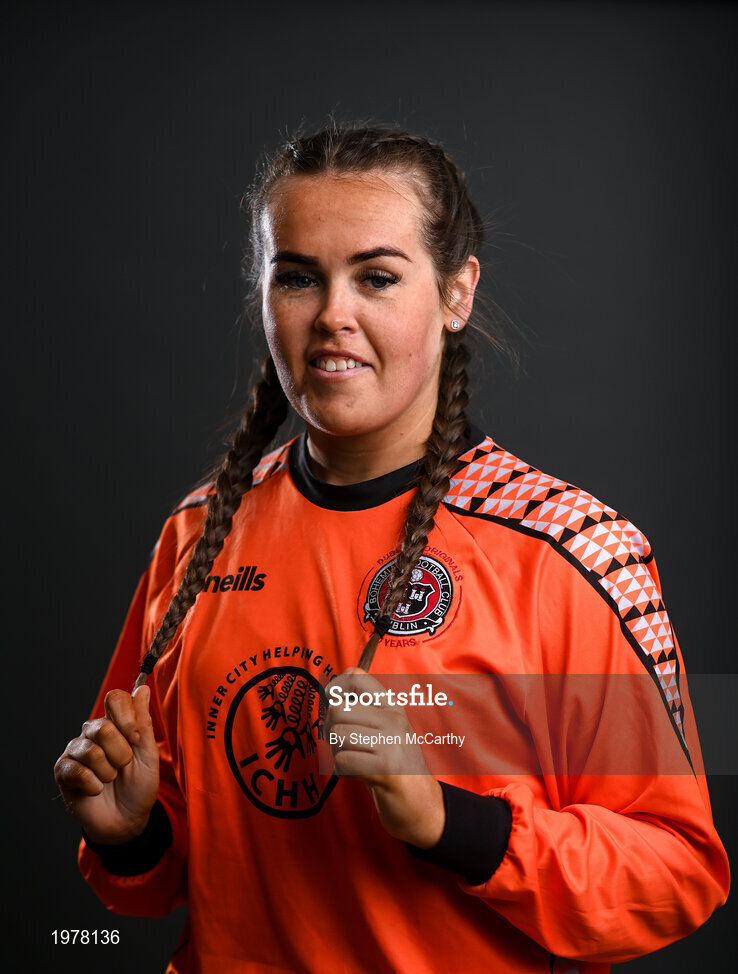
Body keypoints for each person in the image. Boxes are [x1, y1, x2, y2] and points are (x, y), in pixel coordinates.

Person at [54, 122, 729, 974]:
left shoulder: (573, 550)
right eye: (298, 277)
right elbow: (173, 877)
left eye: (377, 277)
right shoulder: (197, 534)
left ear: (457, 293)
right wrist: (133, 835)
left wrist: (453, 825)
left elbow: (676, 873)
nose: (333, 315)